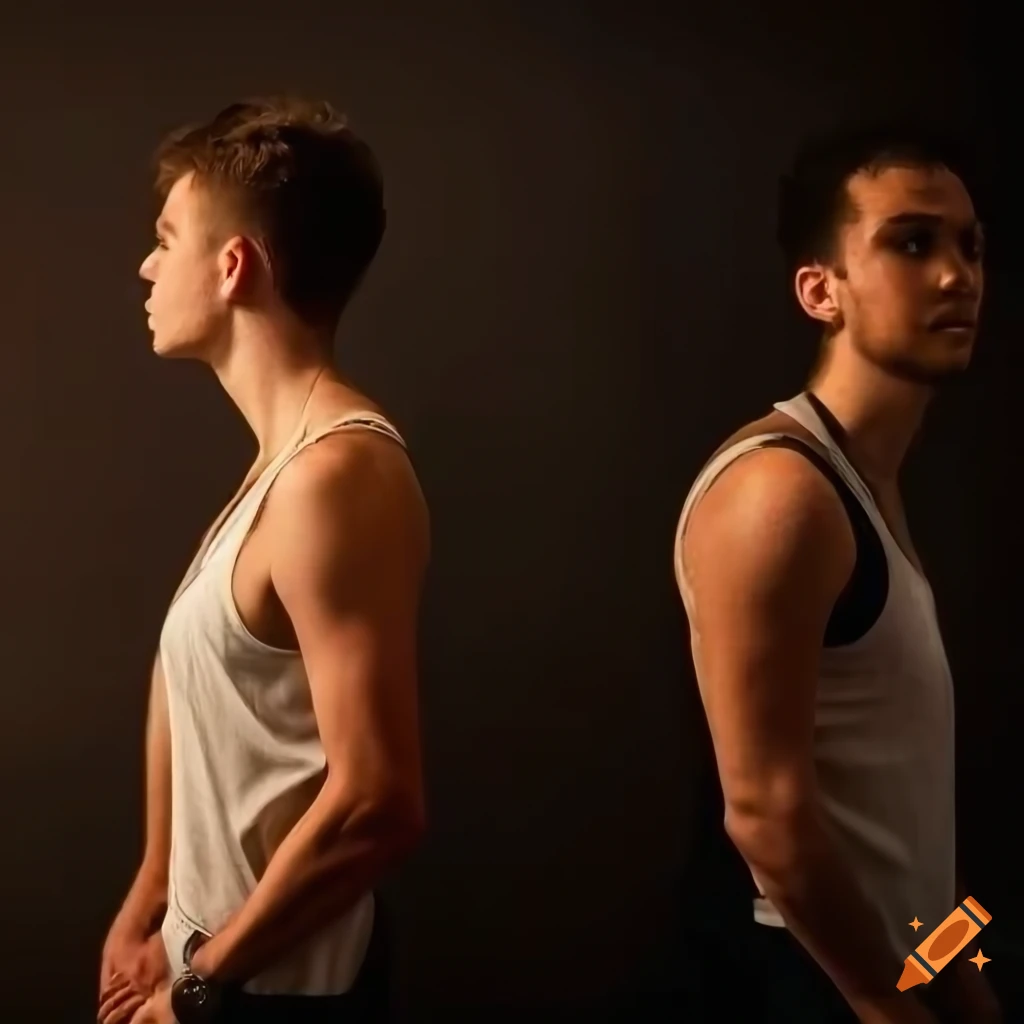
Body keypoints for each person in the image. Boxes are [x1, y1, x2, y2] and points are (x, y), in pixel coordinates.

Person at [97, 96, 429, 1024]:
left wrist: (201, 987)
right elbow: (193, 683)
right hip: (213, 968)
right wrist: (150, 898)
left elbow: (380, 802)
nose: (147, 265)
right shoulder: (278, 471)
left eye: (168, 237)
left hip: (274, 994)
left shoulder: (338, 474)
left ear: (234, 265)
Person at [672, 122, 1000, 1023]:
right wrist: (890, 1003)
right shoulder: (781, 493)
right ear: (822, 290)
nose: (956, 274)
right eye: (911, 242)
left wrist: (965, 980)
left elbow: (911, 839)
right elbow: (765, 813)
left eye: (970, 246)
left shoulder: (870, 483)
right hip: (816, 983)